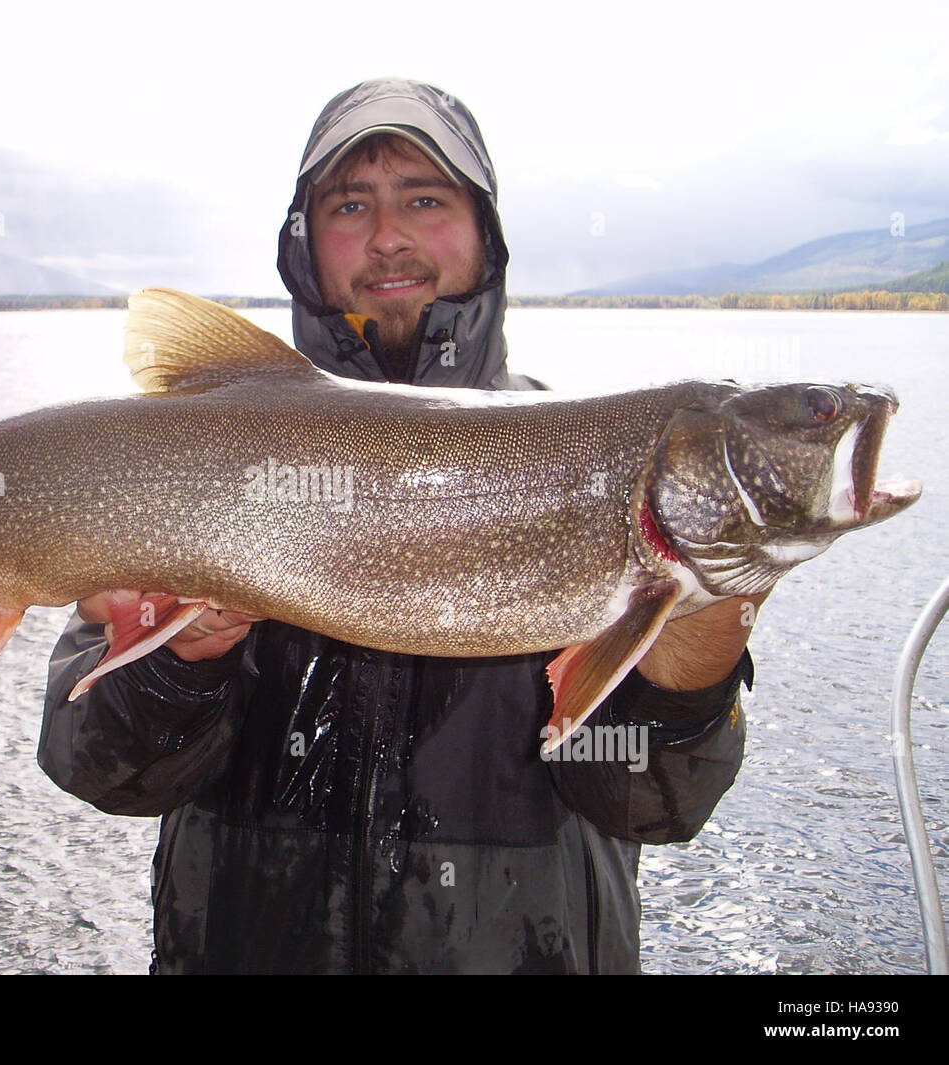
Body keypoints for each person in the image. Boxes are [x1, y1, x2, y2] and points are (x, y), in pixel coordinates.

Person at [37, 77, 761, 973]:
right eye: (351, 204)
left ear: (484, 234)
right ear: (306, 246)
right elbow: (100, 768)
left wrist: (692, 659)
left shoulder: (596, 460)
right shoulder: (202, 455)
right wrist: (179, 661)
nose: (388, 236)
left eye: (425, 198)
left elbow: (653, 804)